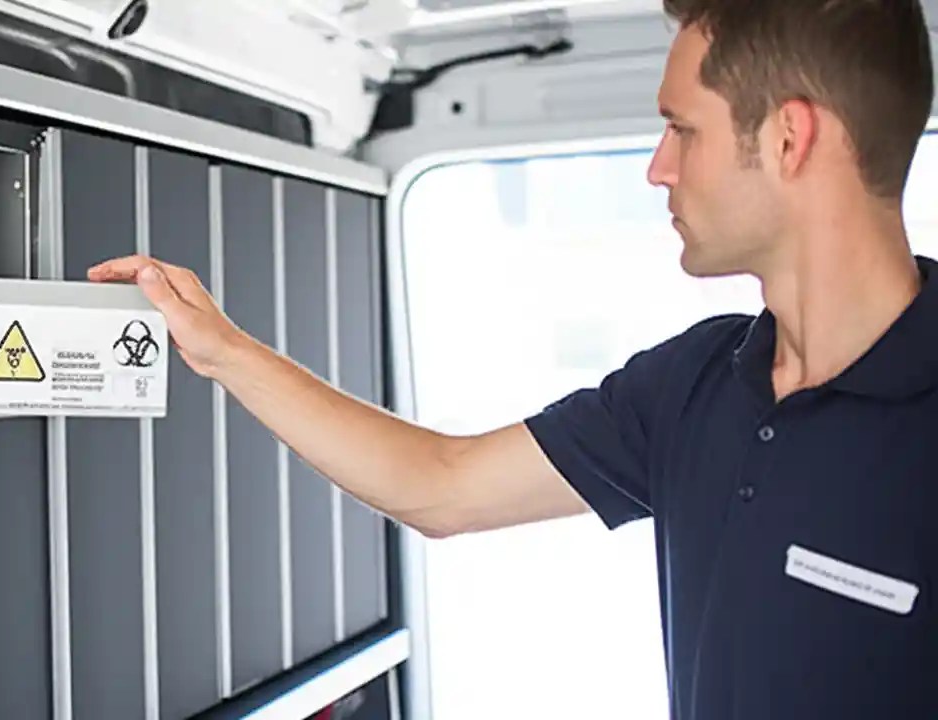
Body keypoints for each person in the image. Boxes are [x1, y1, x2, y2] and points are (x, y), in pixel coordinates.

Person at [88, 0, 937, 716]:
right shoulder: (694, 384)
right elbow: (441, 484)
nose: (657, 167)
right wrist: (223, 350)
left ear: (789, 138)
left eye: (682, 128)